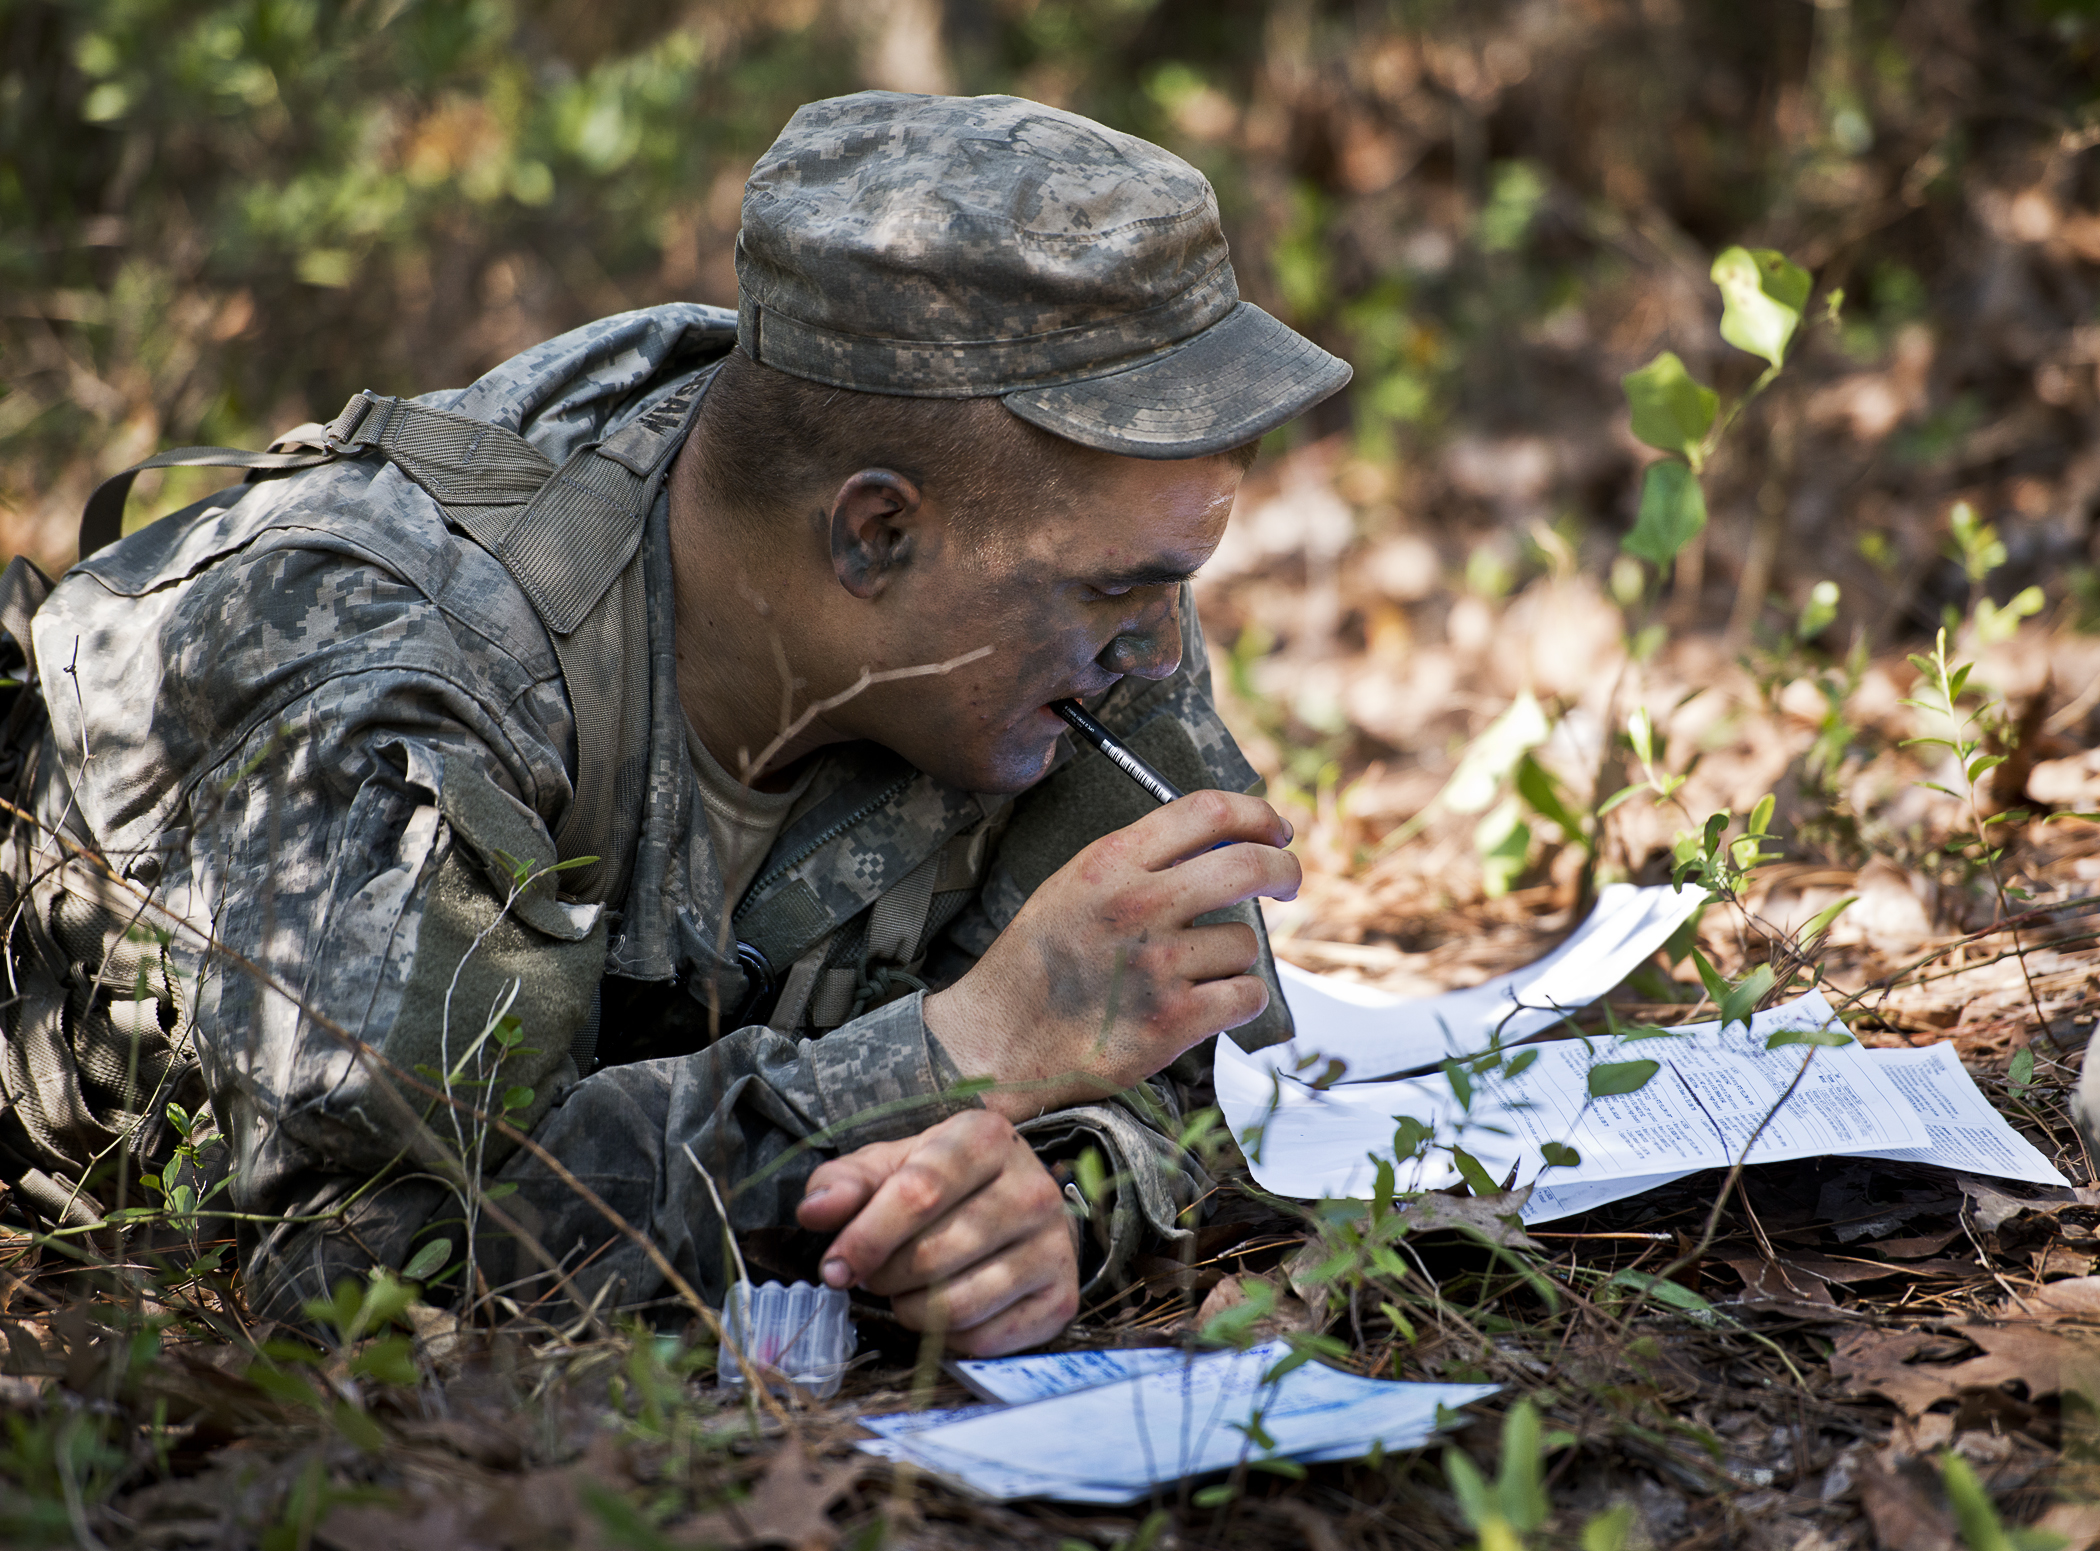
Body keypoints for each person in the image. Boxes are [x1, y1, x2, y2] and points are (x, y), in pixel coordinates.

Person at [0, 91, 1348, 1356]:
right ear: (877, 533)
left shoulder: (1059, 605)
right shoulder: (399, 662)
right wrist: (952, 1056)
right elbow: (361, 1259)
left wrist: (1050, 1202)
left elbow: (1199, 1062)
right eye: (1123, 587)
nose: (1164, 646)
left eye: (1173, 581)